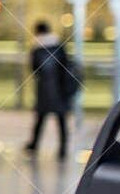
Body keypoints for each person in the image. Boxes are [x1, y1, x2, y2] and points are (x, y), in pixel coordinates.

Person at [25, 20, 80, 157]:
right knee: (61, 120)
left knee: (40, 119)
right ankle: (62, 149)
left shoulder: (36, 49)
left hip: (44, 89)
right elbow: (67, 67)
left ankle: (34, 145)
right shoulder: (59, 46)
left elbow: (34, 70)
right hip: (60, 89)